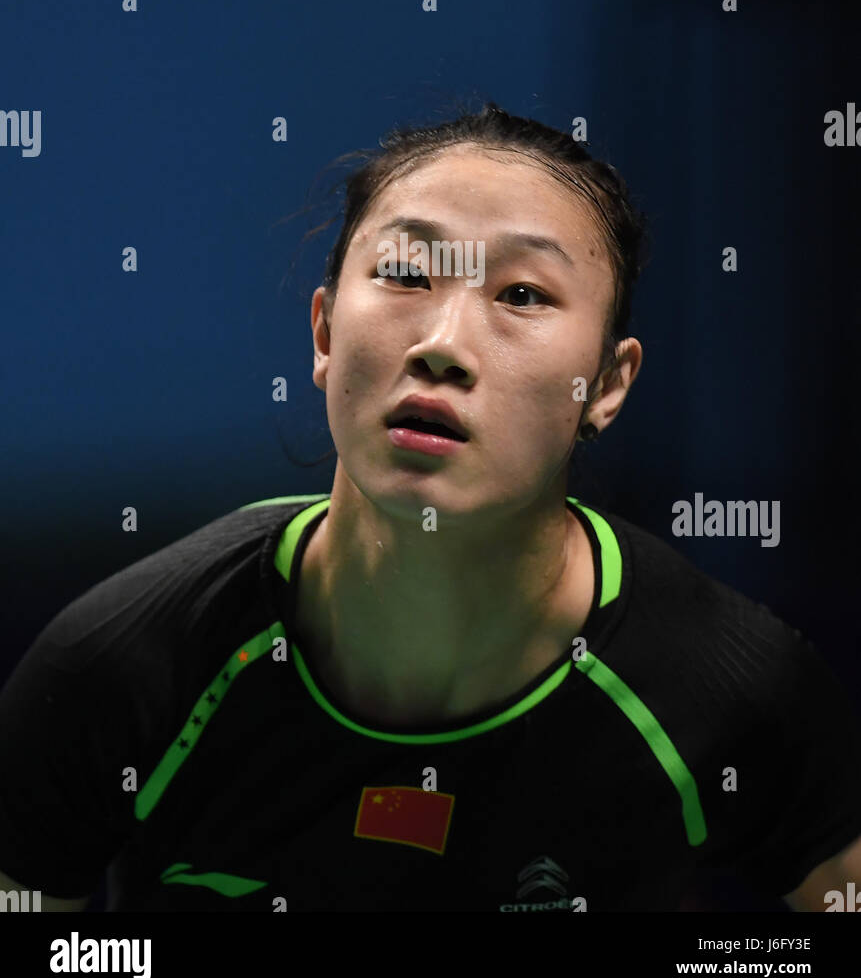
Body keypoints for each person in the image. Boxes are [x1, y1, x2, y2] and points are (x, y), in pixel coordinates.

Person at [1, 102, 859, 913]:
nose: (443, 344)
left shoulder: (740, 693)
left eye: (522, 295)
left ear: (604, 385)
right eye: (407, 273)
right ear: (325, 334)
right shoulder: (117, 669)